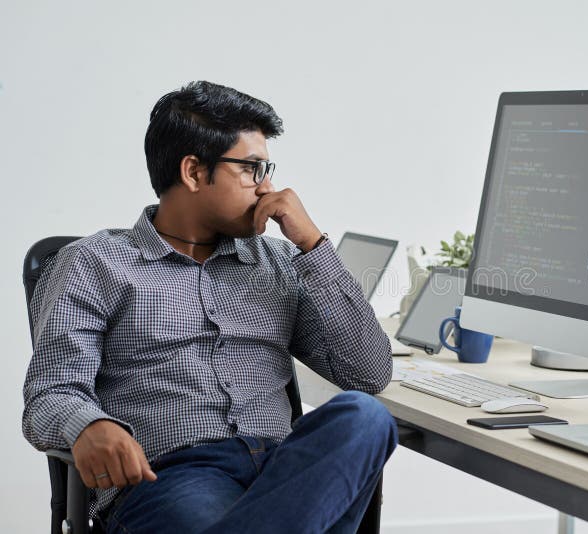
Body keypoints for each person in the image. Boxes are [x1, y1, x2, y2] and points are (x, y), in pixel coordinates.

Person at [22, 80, 397, 533]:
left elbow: (369, 372)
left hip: (288, 474)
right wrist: (88, 426)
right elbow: (51, 394)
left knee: (365, 416)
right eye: (253, 168)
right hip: (173, 480)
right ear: (194, 172)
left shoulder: (278, 263)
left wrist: (312, 244)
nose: (268, 188)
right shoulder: (93, 263)